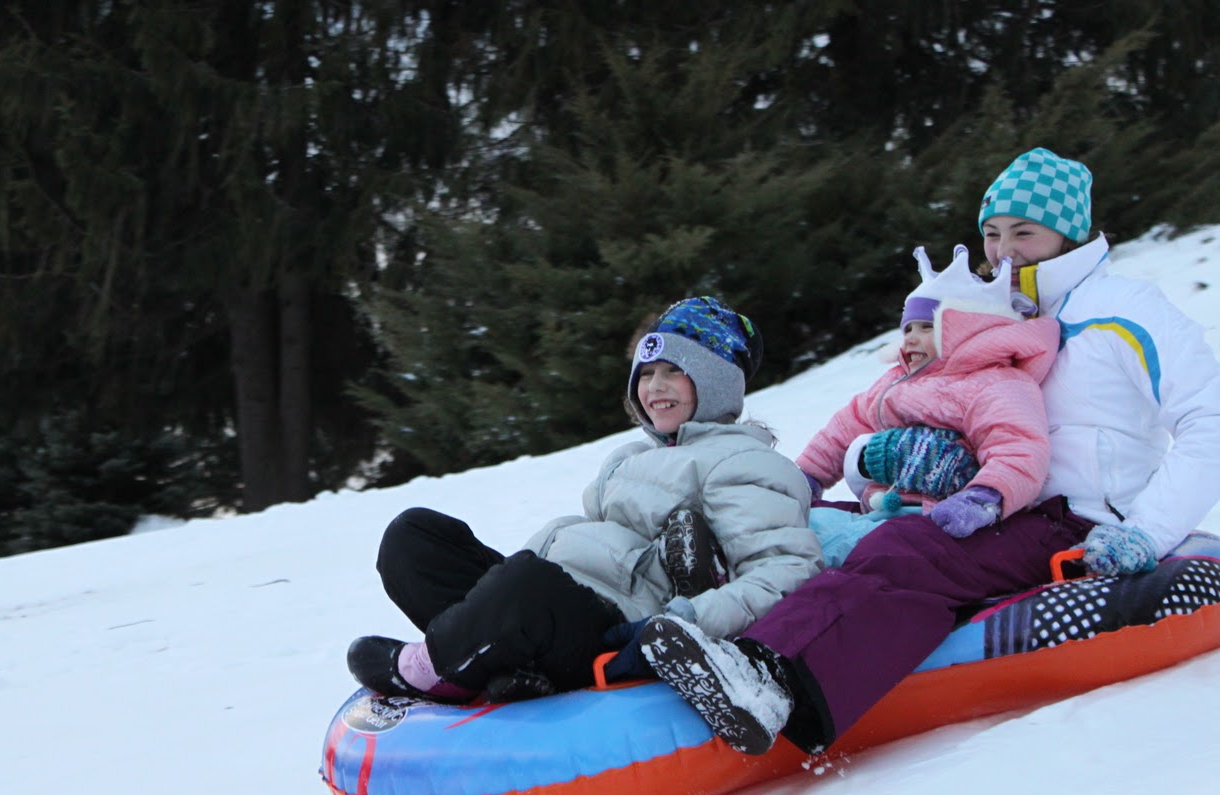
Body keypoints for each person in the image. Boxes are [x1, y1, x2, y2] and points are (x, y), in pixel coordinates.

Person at [630, 146, 1220, 756]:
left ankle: (772, 681)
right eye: (991, 233)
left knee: (907, 552)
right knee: (822, 529)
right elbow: (920, 404)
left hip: (1074, 517)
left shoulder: (1124, 311)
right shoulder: (992, 313)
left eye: (1024, 232)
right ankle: (692, 626)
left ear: (1069, 235)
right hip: (988, 502)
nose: (1003, 250)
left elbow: (1209, 419)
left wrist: (1146, 532)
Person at [347, 296, 823, 705]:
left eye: (674, 372)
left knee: (526, 584)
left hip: (614, 632)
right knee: (416, 536)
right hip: (558, 603)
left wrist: (686, 621)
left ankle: (440, 668)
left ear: (717, 384)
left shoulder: (746, 462)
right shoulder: (631, 456)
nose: (654, 387)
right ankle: (506, 670)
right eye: (647, 372)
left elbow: (783, 572)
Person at [799, 244, 1059, 565]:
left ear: (965, 332)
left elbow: (1018, 447)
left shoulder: (995, 383)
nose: (910, 338)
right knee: (804, 531)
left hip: (943, 520)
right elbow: (845, 427)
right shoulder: (896, 382)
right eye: (907, 328)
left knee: (844, 556)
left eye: (926, 327)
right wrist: (807, 476)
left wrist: (983, 498)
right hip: (886, 508)